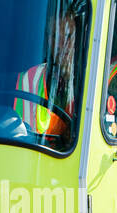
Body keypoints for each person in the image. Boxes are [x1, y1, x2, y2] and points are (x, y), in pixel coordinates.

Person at [13, 12, 80, 145]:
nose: (61, 44)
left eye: (68, 36)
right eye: (55, 36)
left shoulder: (88, 81)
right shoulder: (29, 78)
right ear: (49, 41)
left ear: (77, 40)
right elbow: (18, 134)